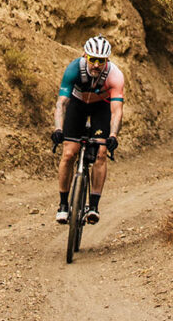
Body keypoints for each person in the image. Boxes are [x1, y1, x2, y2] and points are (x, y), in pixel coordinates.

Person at [51, 35, 123, 224]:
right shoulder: (74, 69)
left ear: (107, 60)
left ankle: (93, 206)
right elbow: (62, 102)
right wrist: (58, 128)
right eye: (92, 59)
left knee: (100, 152)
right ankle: (63, 205)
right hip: (78, 105)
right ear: (85, 56)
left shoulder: (115, 75)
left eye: (101, 61)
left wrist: (113, 135)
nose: (96, 65)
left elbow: (116, 110)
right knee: (68, 153)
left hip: (101, 108)